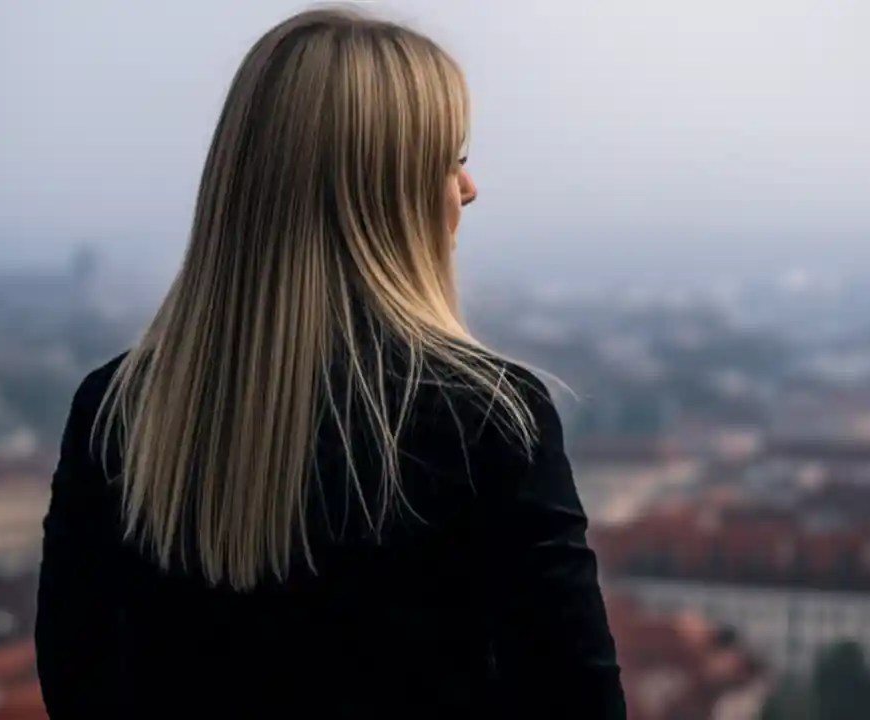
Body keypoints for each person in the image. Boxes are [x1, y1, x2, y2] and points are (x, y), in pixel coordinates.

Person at [35, 8, 626, 718]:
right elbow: (578, 702)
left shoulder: (117, 411)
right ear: (381, 194)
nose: (467, 190)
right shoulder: (485, 420)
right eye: (452, 162)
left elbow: (77, 683)